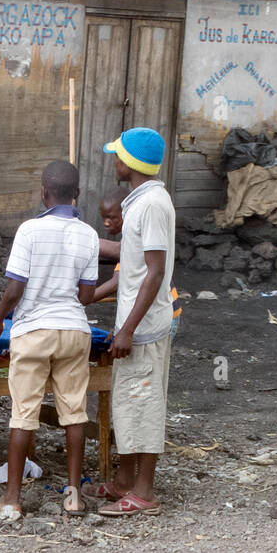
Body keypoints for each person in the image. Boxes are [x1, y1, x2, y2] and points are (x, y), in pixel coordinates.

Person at [0, 161, 98, 518]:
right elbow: (86, 295)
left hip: (32, 331)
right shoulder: (89, 235)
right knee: (74, 413)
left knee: (23, 414)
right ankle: (74, 497)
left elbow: (15, 287)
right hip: (75, 331)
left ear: (43, 193)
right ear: (76, 194)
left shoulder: (29, 230)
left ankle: (12, 499)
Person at [94, 127, 175, 519]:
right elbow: (131, 263)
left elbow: (155, 273)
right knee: (128, 404)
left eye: (117, 156)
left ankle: (144, 491)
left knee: (142, 405)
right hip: (134, 323)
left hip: (143, 328)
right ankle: (124, 481)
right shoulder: (140, 202)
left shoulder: (152, 205)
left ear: (128, 164)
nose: (113, 162)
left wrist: (128, 329)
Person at [94, 186, 181, 337]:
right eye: (104, 218)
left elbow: (116, 282)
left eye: (112, 218)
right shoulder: (130, 238)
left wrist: (85, 299)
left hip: (161, 315)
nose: (106, 223)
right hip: (159, 313)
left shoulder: (134, 240)